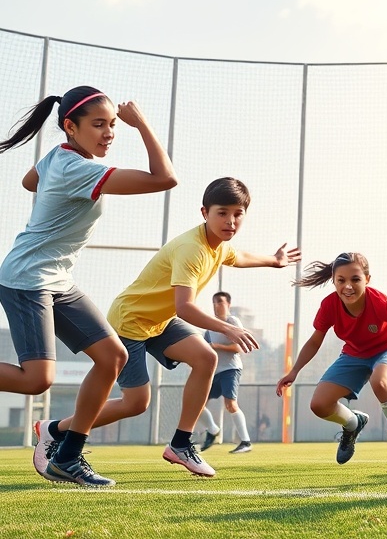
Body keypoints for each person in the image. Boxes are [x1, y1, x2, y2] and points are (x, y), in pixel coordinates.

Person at [44, 177, 299, 479]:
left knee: (206, 358)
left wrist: (274, 260)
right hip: (131, 323)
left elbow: (239, 257)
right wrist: (228, 329)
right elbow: (185, 307)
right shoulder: (192, 249)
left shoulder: (218, 245)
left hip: (159, 321)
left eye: (238, 213)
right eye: (222, 213)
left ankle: (180, 444)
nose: (230, 221)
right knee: (136, 403)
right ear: (205, 212)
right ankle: (56, 429)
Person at [0, 87, 177, 487]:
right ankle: (64, 451)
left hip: (57, 278)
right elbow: (164, 178)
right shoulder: (77, 169)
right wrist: (142, 124)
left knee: (112, 356)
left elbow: (32, 181)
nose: (110, 133)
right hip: (27, 280)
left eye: (114, 124)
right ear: (70, 126)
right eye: (99, 125)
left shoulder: (60, 158)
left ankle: (67, 456)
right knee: (36, 379)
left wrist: (52, 188)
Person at [277, 252, 387, 470]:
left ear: (367, 279)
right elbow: (314, 341)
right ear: (334, 281)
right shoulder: (329, 305)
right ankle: (353, 423)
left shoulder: (379, 302)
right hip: (355, 353)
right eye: (341, 280)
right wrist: (294, 371)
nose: (348, 286)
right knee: (319, 405)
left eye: (355, 279)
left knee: (381, 382)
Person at [198, 291, 252, 454]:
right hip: (213, 372)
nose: (216, 305)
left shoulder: (232, 321)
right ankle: (213, 430)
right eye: (214, 302)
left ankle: (246, 442)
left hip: (230, 369)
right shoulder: (210, 326)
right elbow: (205, 347)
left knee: (230, 404)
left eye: (220, 302)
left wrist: (217, 346)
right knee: (197, 404)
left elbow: (240, 347)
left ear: (228, 304)